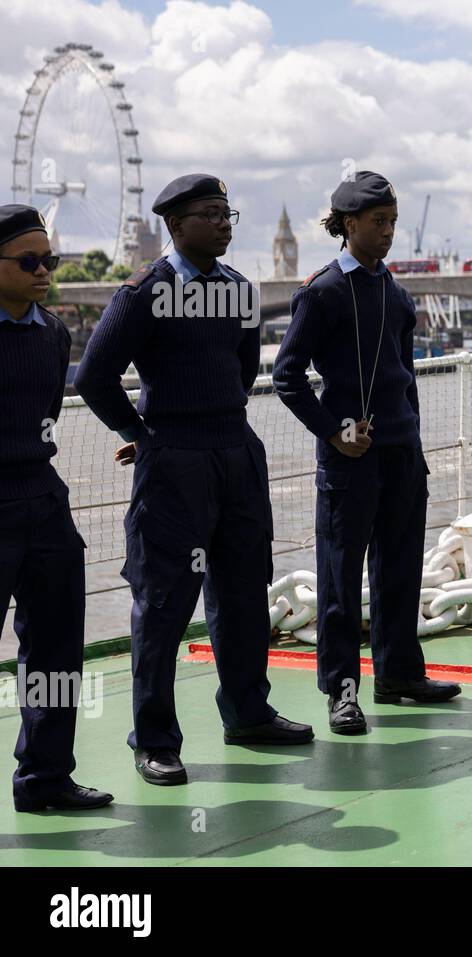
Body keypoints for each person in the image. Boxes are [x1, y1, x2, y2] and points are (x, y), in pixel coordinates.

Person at [75, 174, 313, 786]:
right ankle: (154, 738)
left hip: (234, 451)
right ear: (176, 226)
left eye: (228, 213)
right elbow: (95, 378)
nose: (226, 223)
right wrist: (146, 434)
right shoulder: (142, 293)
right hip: (174, 463)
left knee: (241, 591)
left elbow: (240, 367)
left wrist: (216, 420)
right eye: (211, 214)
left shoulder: (239, 291)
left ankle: (248, 714)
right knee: (162, 603)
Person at [273, 171, 459, 735]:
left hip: (402, 455)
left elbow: (406, 383)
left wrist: (416, 446)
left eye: (393, 223)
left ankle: (400, 674)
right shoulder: (321, 292)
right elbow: (287, 376)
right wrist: (332, 432)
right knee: (339, 577)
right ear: (348, 225)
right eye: (379, 223)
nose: (388, 233)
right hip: (349, 460)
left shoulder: (397, 294)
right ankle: (342, 692)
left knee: (401, 571)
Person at [0, 205, 112, 811]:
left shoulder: (53, 333)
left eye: (50, 260)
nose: (43, 270)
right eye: (28, 260)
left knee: (56, 651)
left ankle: (45, 779)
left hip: (44, 503)